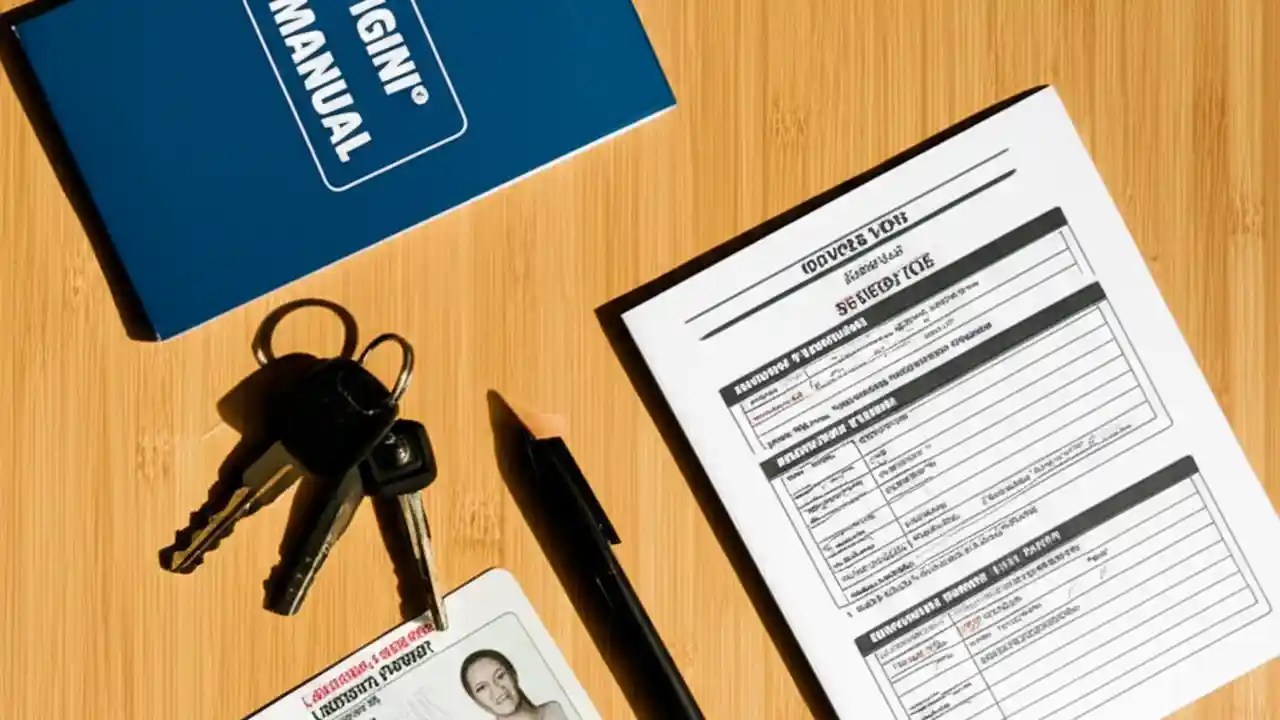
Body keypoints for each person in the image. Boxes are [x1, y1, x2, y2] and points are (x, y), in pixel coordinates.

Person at [459, 649, 568, 720]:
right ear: (475, 699)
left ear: (513, 675)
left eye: (500, 676)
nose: (497, 690)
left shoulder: (557, 710)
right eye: (482, 688)